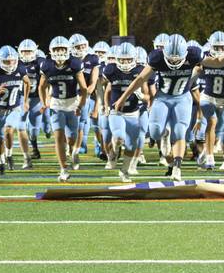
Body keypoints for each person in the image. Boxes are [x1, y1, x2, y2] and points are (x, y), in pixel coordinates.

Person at [113, 34, 224, 181]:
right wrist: (123, 98)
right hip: (163, 98)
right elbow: (141, 78)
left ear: (185, 54)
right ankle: (167, 150)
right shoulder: (157, 58)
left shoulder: (193, 55)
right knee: (154, 132)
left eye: (177, 58)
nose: (174, 61)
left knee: (180, 131)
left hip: (182, 98)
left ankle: (177, 168)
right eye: (171, 58)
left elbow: (217, 62)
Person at [39, 36, 88, 182]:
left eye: (62, 49)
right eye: (56, 49)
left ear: (68, 50)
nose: (60, 52)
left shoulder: (75, 63)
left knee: (71, 138)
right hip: (56, 105)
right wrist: (43, 102)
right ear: (51, 51)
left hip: (72, 104)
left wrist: (80, 105)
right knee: (59, 137)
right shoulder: (47, 66)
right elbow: (41, 87)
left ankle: (72, 151)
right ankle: (63, 169)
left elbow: (84, 89)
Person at [103, 42, 150, 182]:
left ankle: (124, 171)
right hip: (116, 112)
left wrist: (141, 96)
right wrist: (105, 105)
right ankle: (113, 153)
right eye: (122, 59)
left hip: (133, 113)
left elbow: (147, 96)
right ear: (116, 59)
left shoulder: (140, 70)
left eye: (128, 59)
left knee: (131, 145)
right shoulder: (111, 70)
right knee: (118, 137)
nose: (125, 62)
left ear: (134, 59)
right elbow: (107, 91)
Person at [0, 46, 30, 175]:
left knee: (8, 130)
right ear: (1, 61)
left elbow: (27, 83)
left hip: (15, 108)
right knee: (0, 138)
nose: (11, 64)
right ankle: (1, 162)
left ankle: (9, 155)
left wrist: (25, 100)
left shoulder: (20, 69)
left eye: (13, 61)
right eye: (7, 61)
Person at [197, 31, 224, 170]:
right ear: (210, 46)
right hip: (207, 97)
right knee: (212, 122)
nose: (220, 50)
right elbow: (195, 71)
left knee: (222, 132)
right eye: (216, 47)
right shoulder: (205, 59)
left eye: (223, 47)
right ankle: (210, 159)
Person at [69, 34, 100, 164]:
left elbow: (93, 82)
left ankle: (76, 151)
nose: (81, 48)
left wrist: (86, 92)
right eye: (78, 46)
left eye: (83, 45)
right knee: (69, 126)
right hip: (68, 97)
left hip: (83, 95)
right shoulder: (67, 59)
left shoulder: (92, 58)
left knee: (80, 125)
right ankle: (70, 148)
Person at [18, 39, 42, 166]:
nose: (26, 54)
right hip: (21, 97)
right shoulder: (15, 63)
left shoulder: (39, 62)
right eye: (24, 51)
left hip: (37, 98)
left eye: (29, 51)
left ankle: (35, 146)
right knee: (20, 125)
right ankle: (27, 155)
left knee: (34, 130)